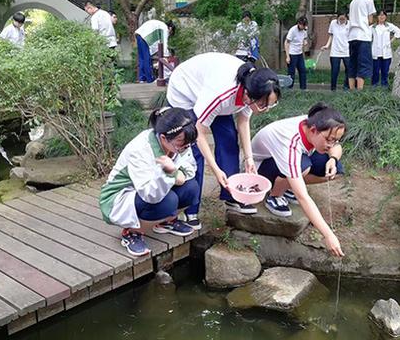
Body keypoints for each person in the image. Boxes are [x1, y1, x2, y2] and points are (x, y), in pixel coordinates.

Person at [166, 52, 281, 227]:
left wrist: (249, 159)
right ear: (249, 96)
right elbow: (199, 133)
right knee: (192, 152)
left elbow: (243, 122)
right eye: (264, 104)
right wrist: (216, 169)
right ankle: (190, 209)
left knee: (229, 140)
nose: (266, 109)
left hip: (215, 96)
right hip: (186, 92)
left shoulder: (253, 86)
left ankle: (232, 195)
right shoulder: (221, 94)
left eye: (271, 104)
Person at [99, 107, 199, 256]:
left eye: (188, 144)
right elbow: (150, 194)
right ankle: (132, 233)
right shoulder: (140, 149)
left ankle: (166, 222)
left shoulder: (180, 144)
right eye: (181, 144)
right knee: (168, 201)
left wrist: (175, 173)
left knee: (191, 188)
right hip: (119, 196)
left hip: (151, 188)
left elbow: (189, 171)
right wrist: (171, 173)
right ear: (164, 138)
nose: (185, 148)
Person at [251, 102, 345, 257]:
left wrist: (333, 159)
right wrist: (328, 235)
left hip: (285, 160)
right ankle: (275, 195)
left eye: (334, 140)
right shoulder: (289, 141)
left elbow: (337, 147)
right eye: (329, 140)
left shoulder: (318, 124)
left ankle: (289, 185)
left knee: (336, 171)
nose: (331, 144)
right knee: (303, 166)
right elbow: (303, 197)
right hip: (260, 169)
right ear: (314, 131)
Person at [347, 0, 377, 90]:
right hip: (363, 36)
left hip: (352, 36)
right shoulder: (368, 0)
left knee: (353, 64)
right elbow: (370, 20)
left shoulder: (353, 1)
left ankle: (351, 90)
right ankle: (359, 92)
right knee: (363, 64)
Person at [371, 10, 400, 88]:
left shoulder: (389, 26)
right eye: (380, 15)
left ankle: (384, 85)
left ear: (385, 17)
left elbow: (399, 32)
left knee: (385, 71)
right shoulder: (372, 27)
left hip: (386, 52)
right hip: (376, 52)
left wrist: (391, 40)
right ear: (377, 17)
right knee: (375, 71)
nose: (381, 17)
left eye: (383, 15)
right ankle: (374, 86)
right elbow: (366, 36)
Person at [321, 11, 350, 91]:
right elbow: (331, 36)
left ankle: (346, 87)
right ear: (337, 18)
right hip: (335, 51)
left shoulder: (350, 24)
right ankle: (333, 89)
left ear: (346, 17)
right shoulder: (333, 23)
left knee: (349, 70)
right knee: (334, 71)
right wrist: (327, 45)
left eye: (343, 19)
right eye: (340, 19)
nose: (342, 20)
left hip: (347, 51)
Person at [285, 16, 309, 90]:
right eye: (302, 25)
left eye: (304, 25)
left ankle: (303, 89)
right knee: (291, 73)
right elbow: (286, 43)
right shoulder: (292, 30)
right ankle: (289, 89)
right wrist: (287, 56)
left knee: (303, 71)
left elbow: (304, 38)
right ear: (299, 23)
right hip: (292, 54)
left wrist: (305, 41)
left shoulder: (304, 30)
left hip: (299, 53)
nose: (303, 27)